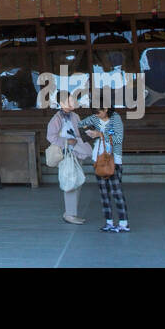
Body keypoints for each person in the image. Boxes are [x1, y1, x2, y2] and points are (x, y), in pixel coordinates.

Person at [46, 91, 92, 224]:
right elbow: (51, 136)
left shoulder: (75, 116)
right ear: (61, 103)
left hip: (77, 152)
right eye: (70, 100)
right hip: (66, 154)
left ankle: (72, 213)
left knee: (77, 181)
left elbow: (81, 131)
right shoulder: (57, 119)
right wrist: (67, 141)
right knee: (70, 182)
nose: (73, 103)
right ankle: (70, 214)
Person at [82, 104, 128, 232]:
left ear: (106, 109)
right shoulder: (95, 119)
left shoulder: (115, 119)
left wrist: (100, 134)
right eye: (95, 113)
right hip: (98, 159)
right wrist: (88, 131)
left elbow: (118, 138)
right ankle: (109, 222)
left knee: (116, 192)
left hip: (114, 160)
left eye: (99, 112)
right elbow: (81, 125)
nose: (97, 115)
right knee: (103, 193)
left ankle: (123, 223)